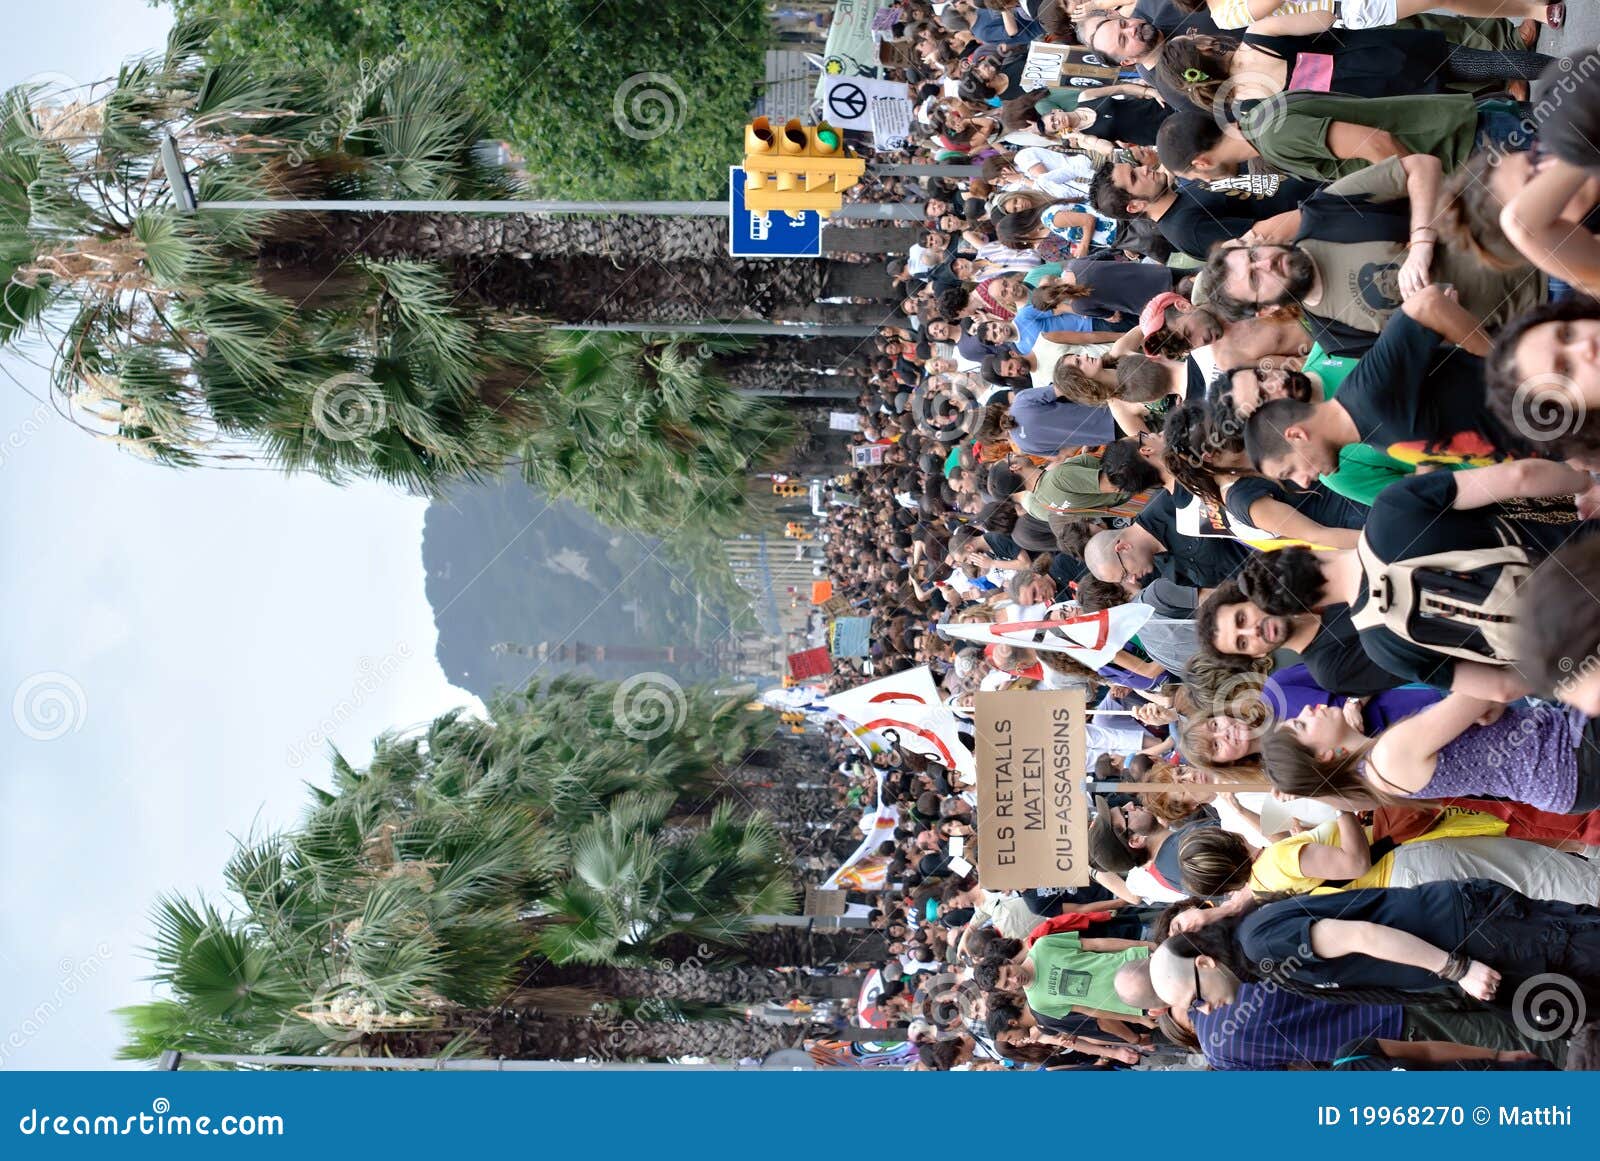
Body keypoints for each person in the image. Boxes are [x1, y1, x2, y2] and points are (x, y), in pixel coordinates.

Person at [1150, 879, 1600, 1041]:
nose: (1205, 1012)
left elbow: (1359, 934)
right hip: (1471, 945)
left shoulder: (1258, 945)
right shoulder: (1254, 956)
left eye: (1196, 1001)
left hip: (1472, 936)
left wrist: (1455, 968)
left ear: (1205, 963)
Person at [1262, 693, 1600, 815]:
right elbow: (1488, 689)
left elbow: (1484, 699)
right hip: (1570, 757)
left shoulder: (1375, 768)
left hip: (1561, 757)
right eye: (1301, 725)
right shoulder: (1387, 756)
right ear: (1322, 756)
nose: (1306, 709)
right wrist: (1483, 699)